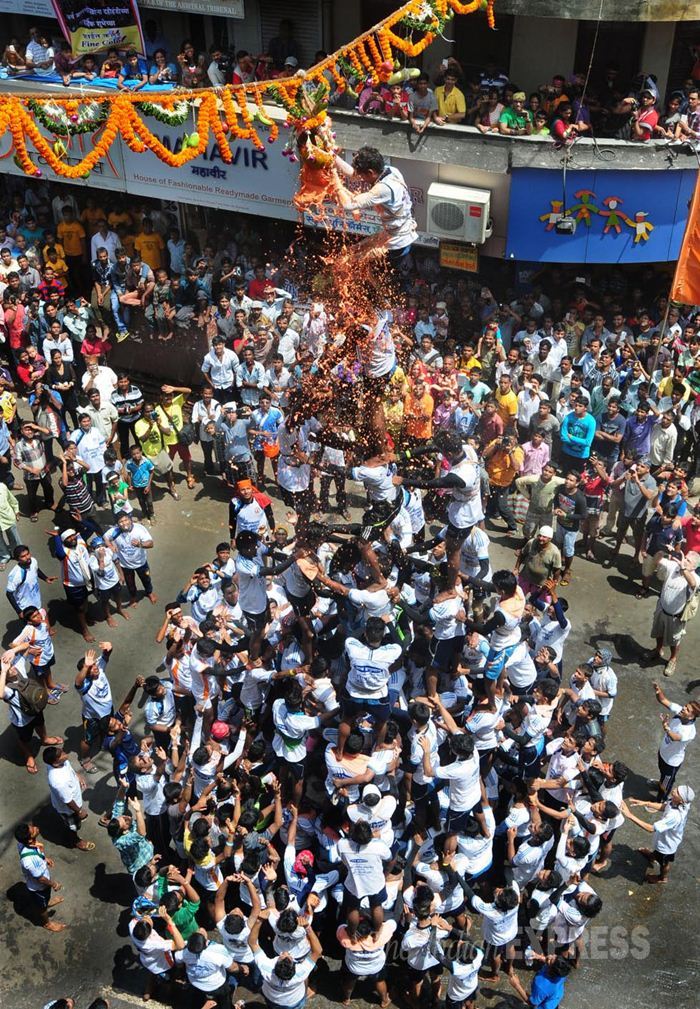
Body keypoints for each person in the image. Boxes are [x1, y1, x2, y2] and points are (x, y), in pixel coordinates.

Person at [620, 784, 694, 883]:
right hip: (662, 836)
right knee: (657, 853)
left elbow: (651, 828)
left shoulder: (675, 816)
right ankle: (652, 856)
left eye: (678, 792)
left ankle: (662, 878)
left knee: (664, 863)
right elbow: (664, 806)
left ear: (682, 801)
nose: (674, 790)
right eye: (677, 788)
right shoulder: (676, 802)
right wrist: (645, 803)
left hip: (666, 845)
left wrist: (630, 815)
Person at [14, 821, 68, 931]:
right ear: (29, 839)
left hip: (42, 883)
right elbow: (41, 879)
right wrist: (54, 884)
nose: (36, 828)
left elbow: (35, 851)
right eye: (33, 830)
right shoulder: (29, 860)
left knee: (45, 898)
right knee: (41, 907)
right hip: (39, 888)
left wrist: (44, 859)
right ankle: (47, 923)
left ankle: (47, 902)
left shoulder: (24, 843)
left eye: (32, 827)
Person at [42, 745, 95, 851]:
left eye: (61, 751)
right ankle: (76, 841)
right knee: (73, 826)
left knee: (74, 823)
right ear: (55, 761)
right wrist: (79, 811)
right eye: (61, 754)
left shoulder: (61, 763)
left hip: (74, 801)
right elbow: (68, 801)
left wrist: (77, 775)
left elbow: (69, 769)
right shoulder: (58, 781)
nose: (64, 752)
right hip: (69, 810)